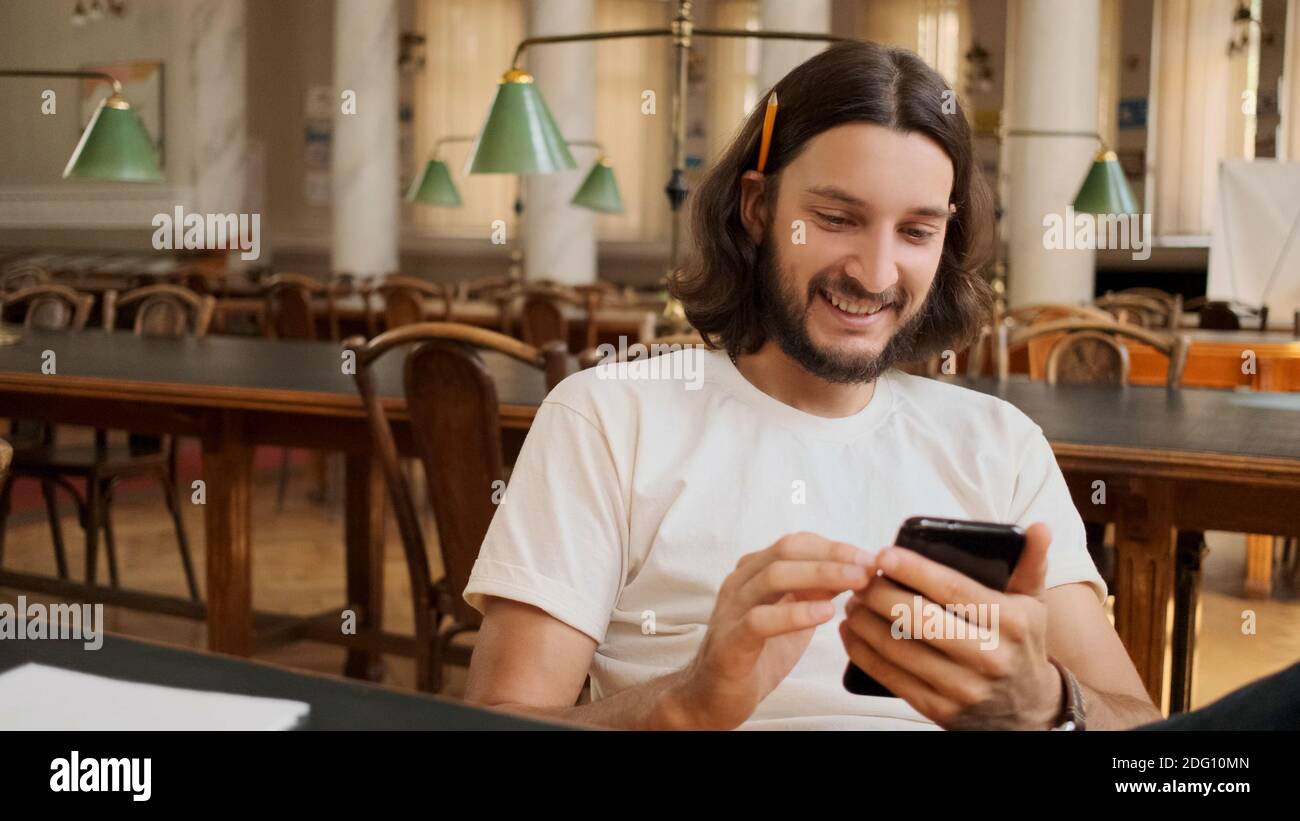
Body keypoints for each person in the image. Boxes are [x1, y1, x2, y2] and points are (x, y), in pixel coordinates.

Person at [461, 40, 1162, 730]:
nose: (876, 273)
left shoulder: (1002, 445)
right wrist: (685, 704)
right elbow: (499, 722)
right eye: (835, 219)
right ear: (757, 208)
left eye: (917, 231)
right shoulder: (608, 419)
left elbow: (1147, 742)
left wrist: (1048, 703)